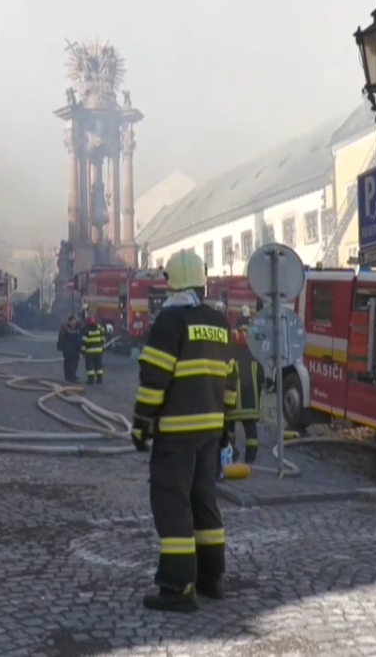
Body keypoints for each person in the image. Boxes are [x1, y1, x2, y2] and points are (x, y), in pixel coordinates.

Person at [131, 249, 238, 613]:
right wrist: (227, 424)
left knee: (171, 501)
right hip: (210, 431)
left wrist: (141, 424)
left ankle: (179, 587)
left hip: (176, 433)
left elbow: (153, 380)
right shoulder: (220, 323)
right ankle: (213, 578)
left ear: (170, 281)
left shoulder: (170, 322)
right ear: (203, 279)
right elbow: (231, 381)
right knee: (204, 501)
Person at [226, 324, 264, 464]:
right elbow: (262, 380)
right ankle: (250, 458)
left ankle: (231, 455)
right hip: (250, 405)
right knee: (251, 432)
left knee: (229, 430)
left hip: (233, 405)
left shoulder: (229, 358)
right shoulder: (255, 359)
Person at [57, 315, 83, 383]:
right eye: (72, 322)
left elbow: (81, 337)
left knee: (75, 363)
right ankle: (68, 376)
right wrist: (60, 347)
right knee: (68, 363)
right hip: (68, 349)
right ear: (69, 322)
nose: (73, 324)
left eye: (74, 322)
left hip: (76, 349)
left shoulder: (78, 329)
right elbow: (61, 338)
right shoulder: (65, 329)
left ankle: (73, 375)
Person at [82, 316, 105, 384]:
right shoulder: (99, 329)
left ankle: (90, 380)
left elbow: (84, 342)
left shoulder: (86, 331)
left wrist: (83, 352)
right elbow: (103, 339)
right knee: (98, 365)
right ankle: (99, 379)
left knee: (90, 366)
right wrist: (102, 347)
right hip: (99, 351)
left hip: (90, 352)